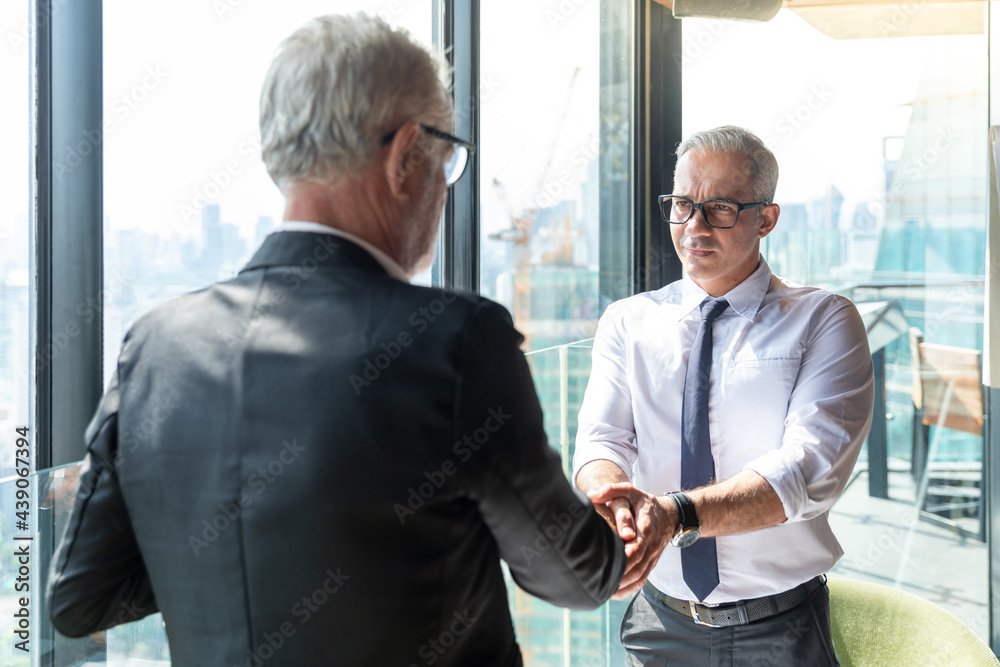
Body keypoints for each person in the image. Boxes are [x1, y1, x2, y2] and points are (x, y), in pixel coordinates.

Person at [46, 14, 626, 666]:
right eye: (446, 160)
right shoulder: (455, 342)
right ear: (407, 153)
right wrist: (625, 524)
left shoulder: (153, 346)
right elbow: (574, 575)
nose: (443, 184)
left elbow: (79, 598)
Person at [575, 126, 874, 665]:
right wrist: (619, 504)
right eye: (682, 205)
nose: (694, 226)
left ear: (766, 218)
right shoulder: (628, 322)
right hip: (659, 623)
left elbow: (809, 472)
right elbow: (602, 442)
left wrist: (675, 515)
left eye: (719, 208)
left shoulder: (824, 319)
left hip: (781, 628)